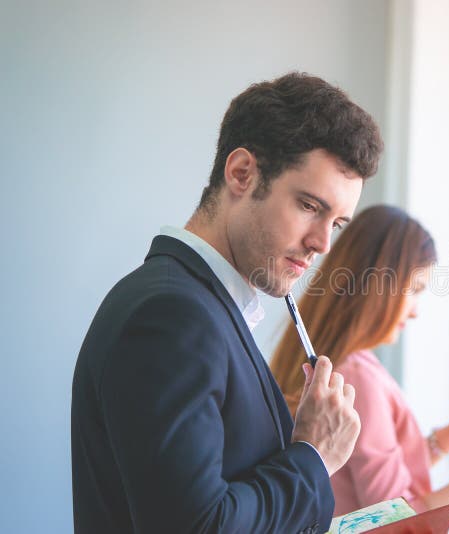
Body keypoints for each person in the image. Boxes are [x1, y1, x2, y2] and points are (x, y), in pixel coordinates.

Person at [71, 73, 383, 533]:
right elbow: (198, 527)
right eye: (309, 206)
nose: (322, 244)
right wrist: (312, 456)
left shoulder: (199, 307)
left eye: (336, 223)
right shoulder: (172, 316)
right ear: (241, 173)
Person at [270, 204, 449, 518]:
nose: (415, 311)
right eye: (414, 289)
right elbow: (400, 521)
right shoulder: (357, 378)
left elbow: (377, 477)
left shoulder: (338, 365)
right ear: (380, 285)